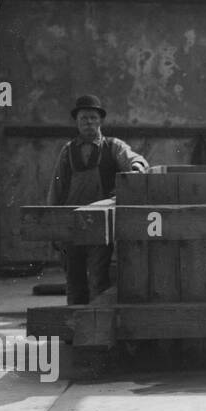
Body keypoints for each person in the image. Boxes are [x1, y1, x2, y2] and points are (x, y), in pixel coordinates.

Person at [48, 95, 149, 304]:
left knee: (98, 280)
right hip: (71, 225)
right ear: (76, 121)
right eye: (84, 118)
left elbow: (134, 159)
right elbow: (56, 189)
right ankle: (74, 331)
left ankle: (97, 332)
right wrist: (52, 226)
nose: (89, 122)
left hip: (99, 226)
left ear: (100, 121)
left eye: (93, 118)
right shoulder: (67, 151)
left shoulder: (113, 147)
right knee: (74, 282)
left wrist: (137, 167)